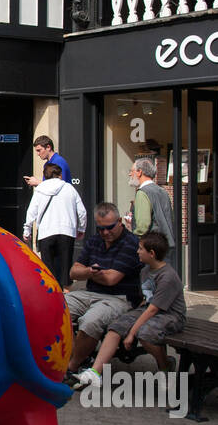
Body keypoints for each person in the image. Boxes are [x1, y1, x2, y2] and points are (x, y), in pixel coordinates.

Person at [74, 232, 186, 388]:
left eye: (140, 249)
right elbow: (146, 300)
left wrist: (131, 333)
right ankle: (95, 372)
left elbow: (153, 310)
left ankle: (165, 365)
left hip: (170, 314)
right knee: (115, 327)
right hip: (149, 308)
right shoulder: (145, 271)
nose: (137, 251)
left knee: (145, 333)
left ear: (151, 253)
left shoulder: (168, 277)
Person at [65, 202, 142, 382]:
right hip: (89, 293)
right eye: (101, 229)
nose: (105, 233)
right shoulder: (94, 240)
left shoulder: (131, 244)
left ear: (120, 222)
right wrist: (90, 272)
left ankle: (72, 366)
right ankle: (71, 355)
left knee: (91, 321)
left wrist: (88, 273)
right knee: (55, 306)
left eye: (109, 228)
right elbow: (73, 272)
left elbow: (112, 279)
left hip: (119, 297)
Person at [22, 161, 86, 288]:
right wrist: (81, 228)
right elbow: (82, 211)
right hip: (66, 231)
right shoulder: (69, 188)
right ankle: (66, 296)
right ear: (60, 175)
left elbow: (31, 212)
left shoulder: (40, 189)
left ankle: (52, 294)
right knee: (65, 267)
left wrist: (27, 230)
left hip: (46, 232)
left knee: (48, 269)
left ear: (45, 175)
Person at [128, 157, 177, 267]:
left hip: (151, 248)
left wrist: (132, 239)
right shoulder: (162, 191)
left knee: (149, 282)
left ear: (139, 172)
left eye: (131, 171)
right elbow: (170, 218)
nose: (130, 174)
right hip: (167, 244)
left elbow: (143, 225)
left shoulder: (142, 193)